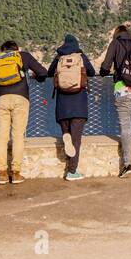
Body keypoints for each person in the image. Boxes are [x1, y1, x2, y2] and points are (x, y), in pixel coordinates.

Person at [0, 40, 48, 185]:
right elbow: (43, 72)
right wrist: (39, 78)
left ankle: (2, 174)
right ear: (16, 49)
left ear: (2, 50)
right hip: (21, 98)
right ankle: (16, 174)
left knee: (2, 137)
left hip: (2, 100)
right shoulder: (23, 56)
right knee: (18, 136)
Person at [98, 24, 131, 177]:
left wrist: (103, 73)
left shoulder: (115, 44)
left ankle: (127, 165)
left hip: (122, 90)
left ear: (117, 34)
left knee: (125, 128)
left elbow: (106, 66)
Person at [45, 33, 95, 181]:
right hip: (79, 104)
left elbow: (49, 73)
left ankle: (66, 141)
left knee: (68, 135)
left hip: (62, 105)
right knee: (76, 140)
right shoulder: (81, 57)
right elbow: (91, 72)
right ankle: (72, 171)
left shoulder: (58, 58)